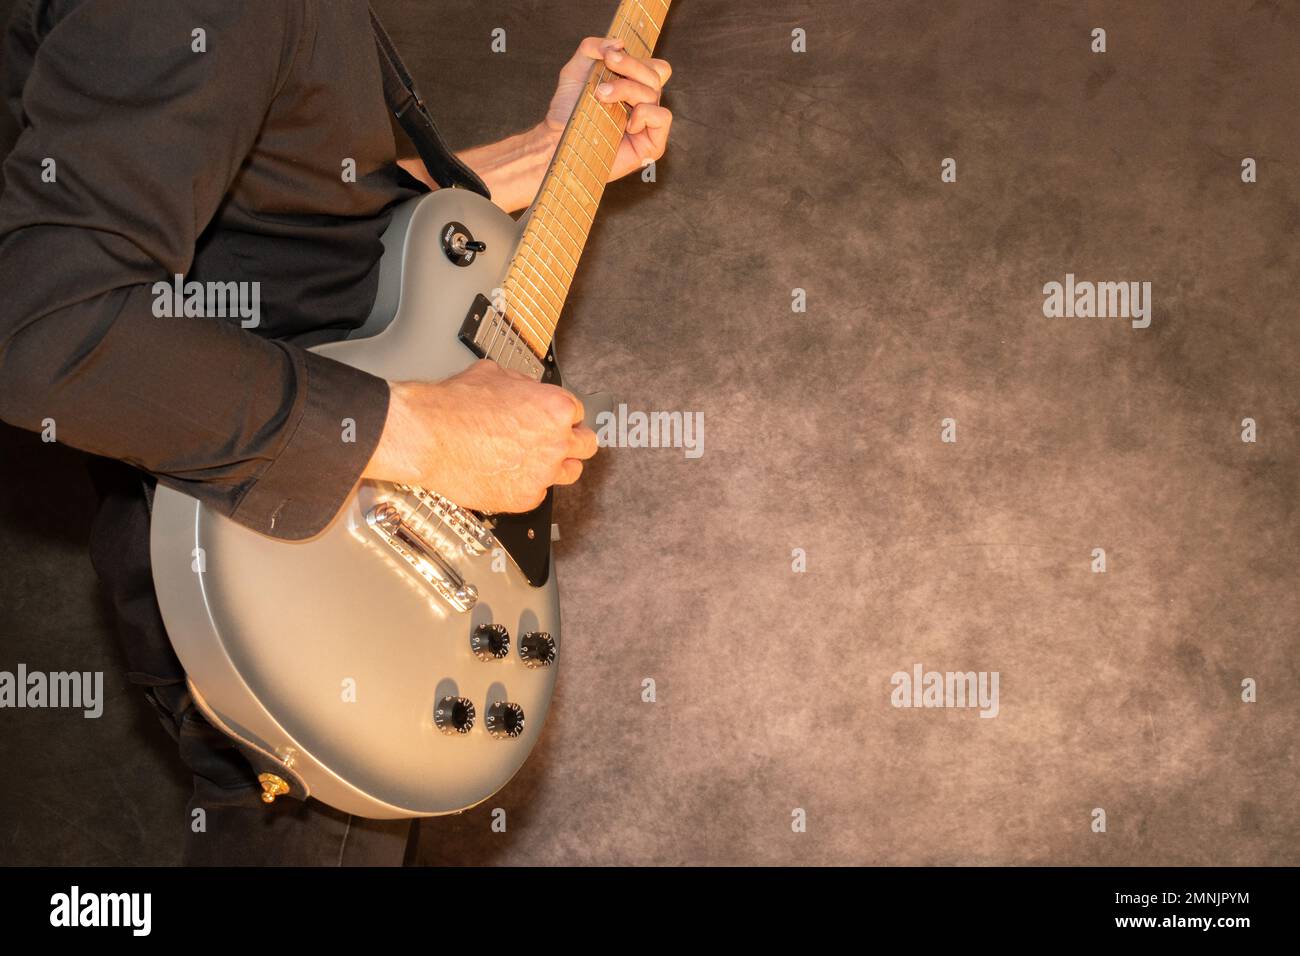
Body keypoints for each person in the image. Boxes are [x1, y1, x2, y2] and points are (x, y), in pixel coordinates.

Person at [0, 0, 671, 865]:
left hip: (333, 552)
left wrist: (540, 156)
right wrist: (430, 435)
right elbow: (47, 329)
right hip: (286, 561)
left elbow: (280, 222)